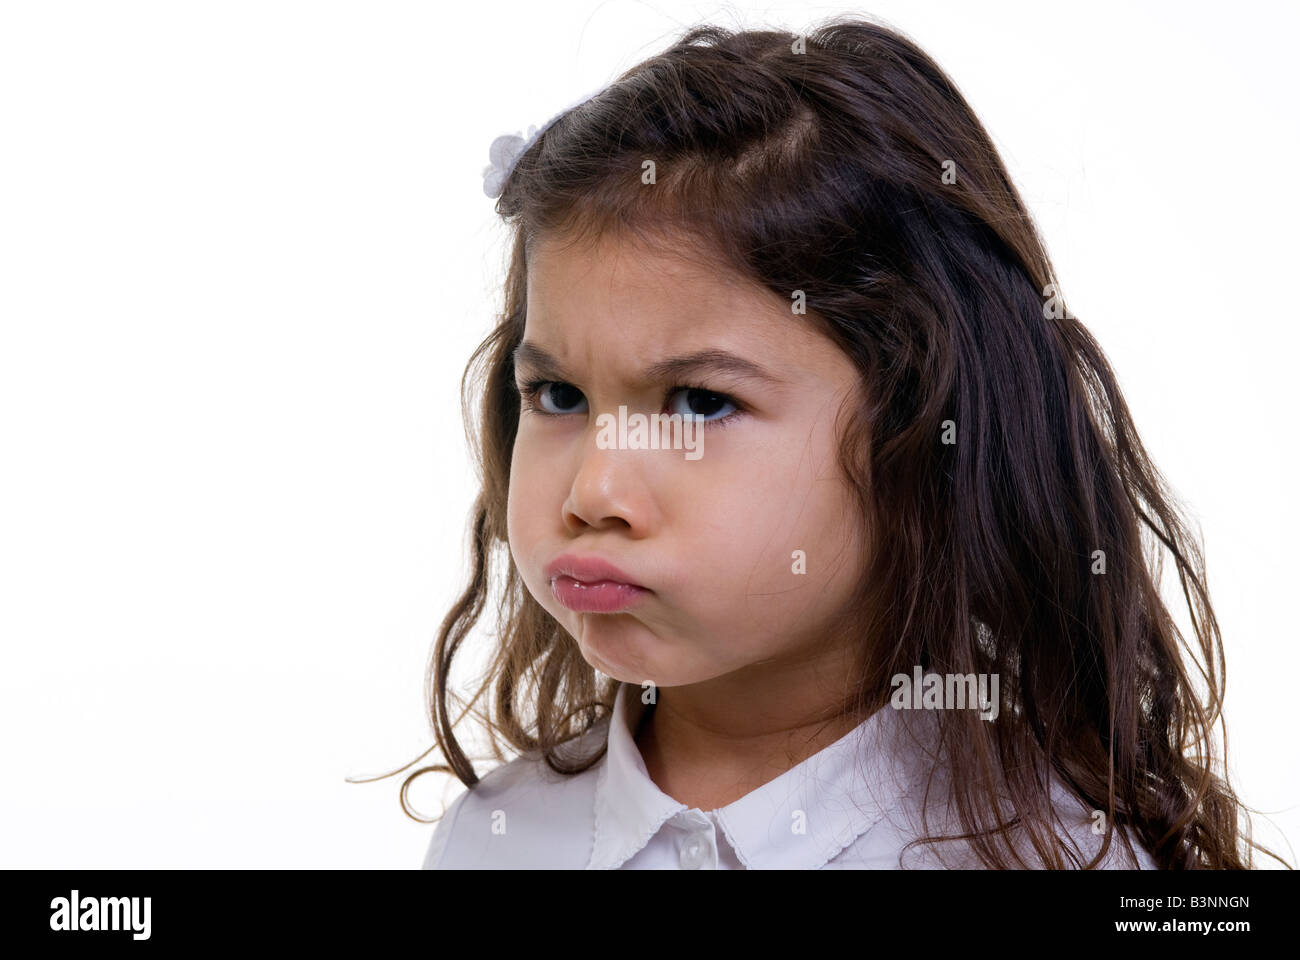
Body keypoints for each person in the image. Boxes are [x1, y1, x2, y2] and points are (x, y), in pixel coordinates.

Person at [398, 16, 1280, 869]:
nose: (592, 492)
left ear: (918, 433)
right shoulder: (493, 837)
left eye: (701, 403)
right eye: (558, 394)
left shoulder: (1060, 858)